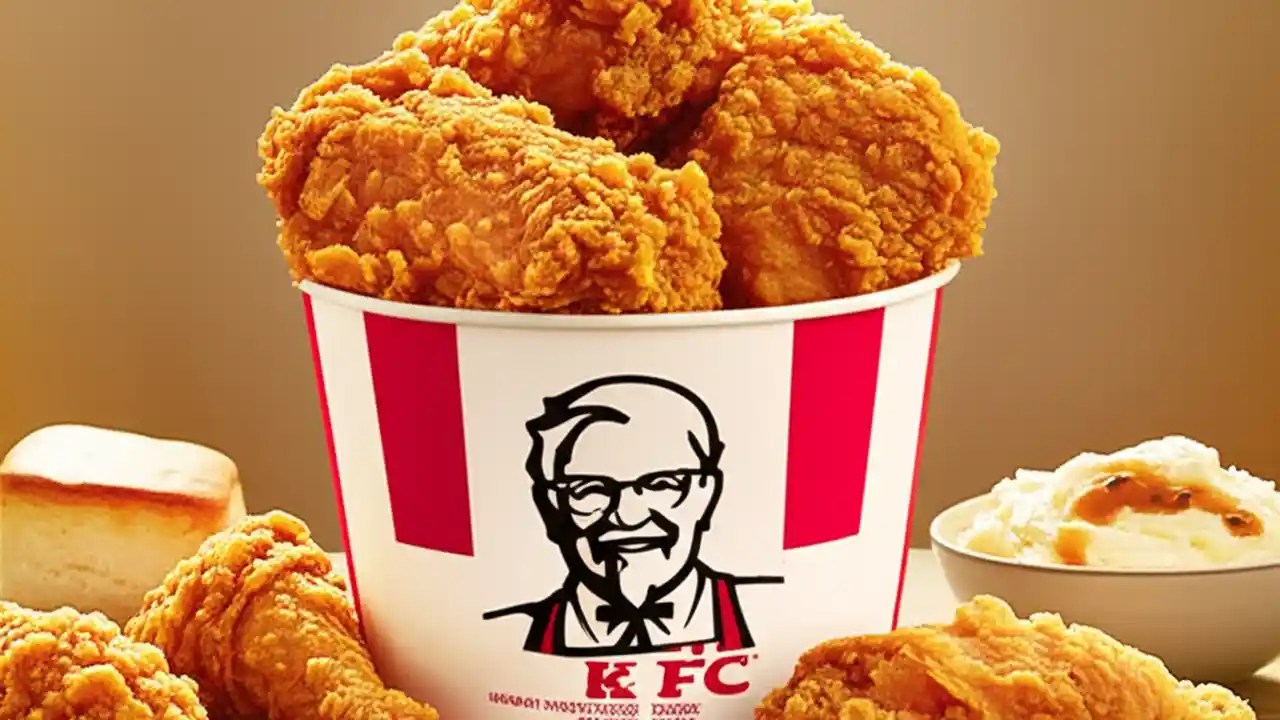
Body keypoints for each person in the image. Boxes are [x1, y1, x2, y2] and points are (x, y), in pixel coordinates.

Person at [484, 375, 782, 657]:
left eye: (661, 484)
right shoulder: (500, 637)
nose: (628, 517)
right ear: (550, 507)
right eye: (590, 489)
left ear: (706, 494)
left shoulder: (777, 613)